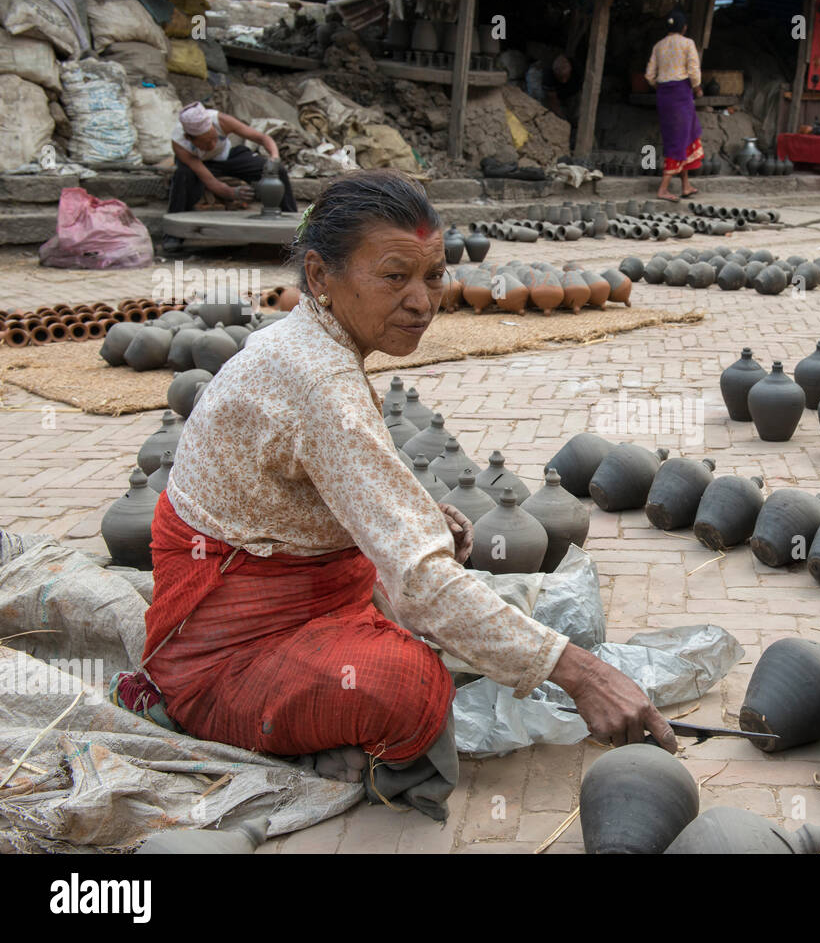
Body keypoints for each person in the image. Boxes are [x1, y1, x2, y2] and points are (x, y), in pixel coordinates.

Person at [117, 171, 676, 819]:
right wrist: (582, 674)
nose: (422, 300)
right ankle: (232, 718)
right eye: (394, 277)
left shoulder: (311, 343)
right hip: (220, 651)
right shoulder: (318, 379)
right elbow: (422, 583)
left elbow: (313, 488)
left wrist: (420, 519)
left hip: (282, 584)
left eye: (434, 275)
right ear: (321, 276)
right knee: (411, 688)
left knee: (456, 613)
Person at [165, 102, 297, 250]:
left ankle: (295, 228)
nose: (212, 144)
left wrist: (274, 158)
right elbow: (211, 181)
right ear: (190, 139)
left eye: (214, 138)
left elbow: (263, 138)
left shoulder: (221, 120)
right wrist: (234, 193)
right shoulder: (180, 144)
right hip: (202, 164)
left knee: (278, 171)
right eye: (206, 143)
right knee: (183, 176)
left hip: (227, 156)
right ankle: (174, 236)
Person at [645, 8, 703, 202]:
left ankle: (686, 186)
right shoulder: (688, 43)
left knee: (682, 138)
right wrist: (697, 88)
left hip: (664, 95)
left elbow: (649, 76)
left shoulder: (658, 46)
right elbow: (693, 71)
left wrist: (660, 87)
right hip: (681, 94)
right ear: (684, 28)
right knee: (678, 140)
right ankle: (663, 189)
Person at [525, 53, 579, 122]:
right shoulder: (548, 75)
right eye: (561, 78)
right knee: (541, 99)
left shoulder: (577, 69)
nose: (564, 80)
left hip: (565, 81)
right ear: (555, 72)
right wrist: (563, 120)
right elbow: (553, 101)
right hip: (537, 72)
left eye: (565, 77)